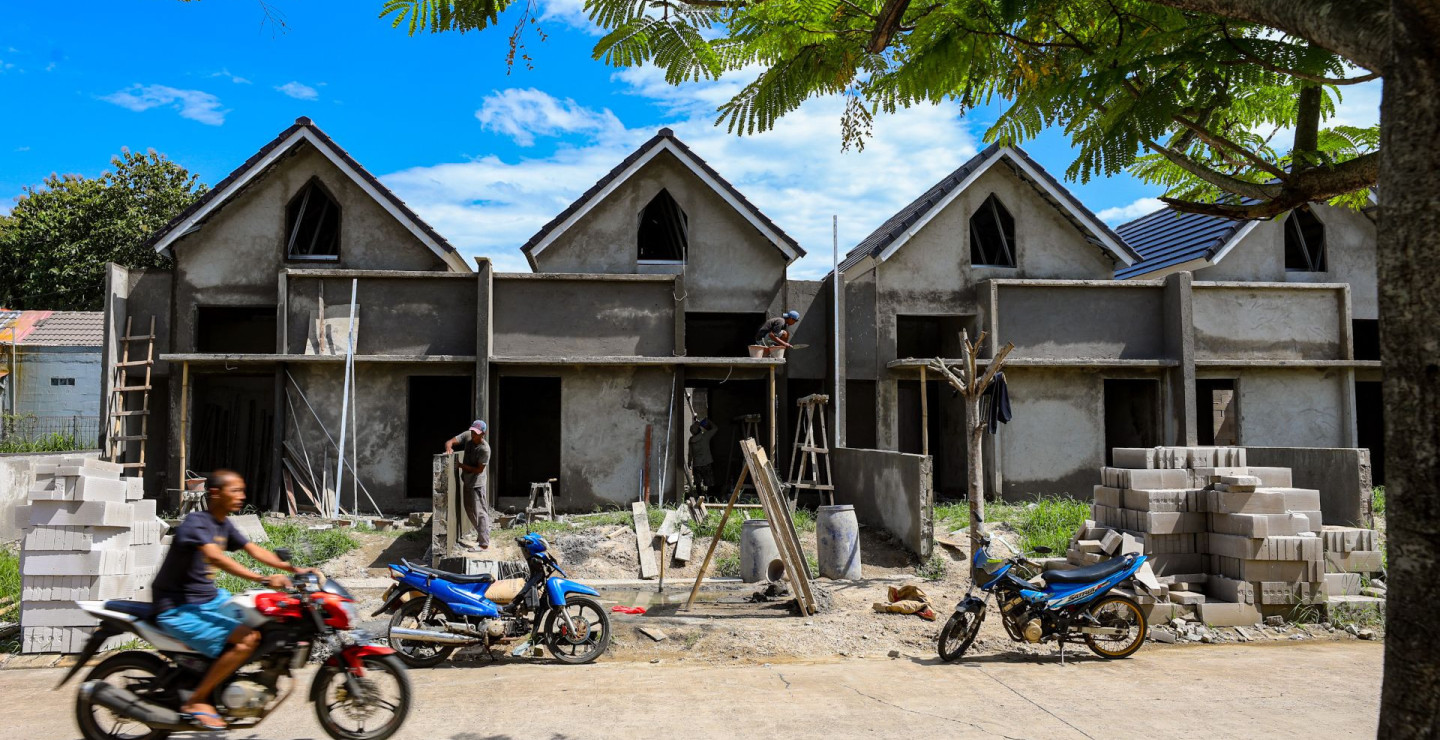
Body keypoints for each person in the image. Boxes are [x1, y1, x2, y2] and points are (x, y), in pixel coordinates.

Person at [150, 470, 315, 731]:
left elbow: (253, 549)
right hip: (177, 607)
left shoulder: (223, 524)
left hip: (210, 599)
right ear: (216, 493)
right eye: (235, 491)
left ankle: (230, 682)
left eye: (242, 490)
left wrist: (296, 571)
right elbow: (216, 558)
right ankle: (197, 700)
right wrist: (262, 579)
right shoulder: (197, 523)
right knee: (247, 639)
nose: (242, 496)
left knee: (265, 619)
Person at [443, 419, 491, 551]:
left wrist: (460, 466)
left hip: (477, 483)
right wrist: (449, 448)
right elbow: (450, 441)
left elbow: (479, 470)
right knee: (469, 509)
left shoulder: (484, 449)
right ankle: (482, 533)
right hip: (467, 481)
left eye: (476, 433)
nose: (473, 435)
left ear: (483, 434)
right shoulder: (468, 435)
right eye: (472, 432)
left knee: (480, 512)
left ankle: (484, 544)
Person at [688, 418, 718, 495]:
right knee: (709, 482)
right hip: (706, 462)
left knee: (697, 482)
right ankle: (709, 497)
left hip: (696, 464)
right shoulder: (705, 436)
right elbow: (715, 428)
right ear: (699, 429)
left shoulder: (691, 440)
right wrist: (709, 421)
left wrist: (689, 462)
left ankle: (699, 496)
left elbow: (690, 453)